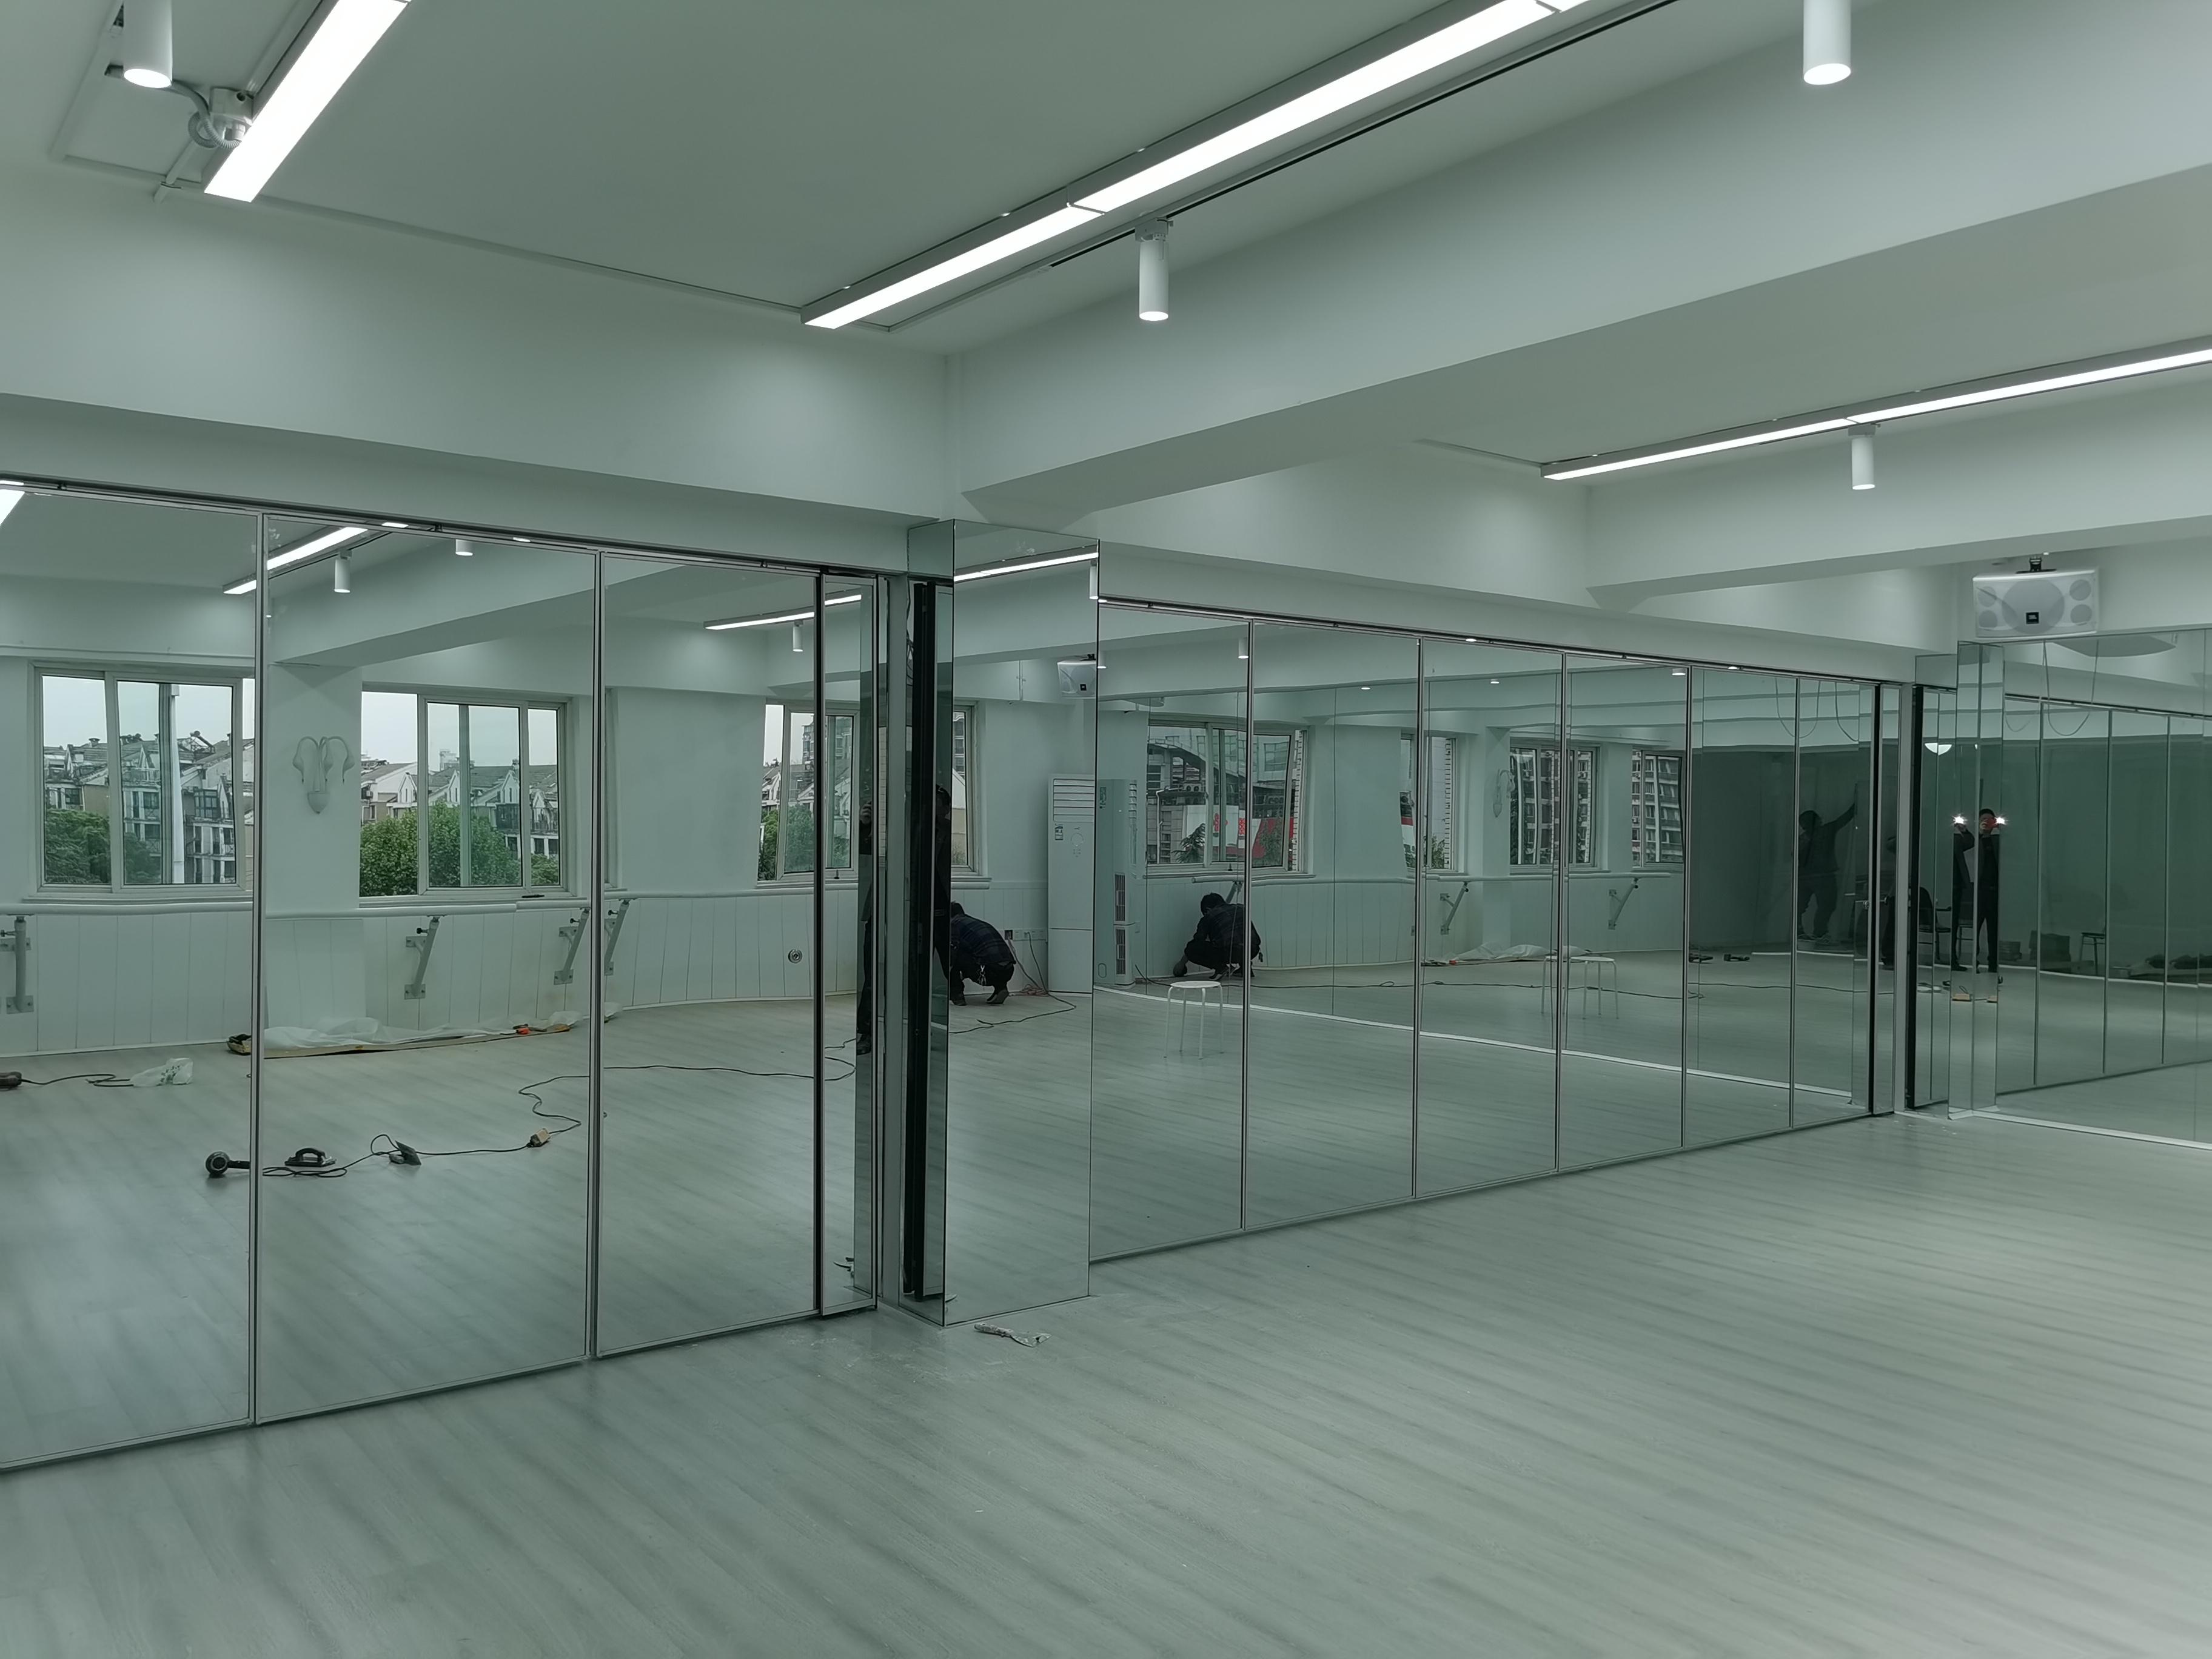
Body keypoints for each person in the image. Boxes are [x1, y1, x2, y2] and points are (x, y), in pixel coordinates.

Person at [1796, 797, 1858, 942]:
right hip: (1824, 876)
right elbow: (1845, 818)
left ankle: (1800, 931)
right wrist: (1858, 802)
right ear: (1817, 821)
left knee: (1800, 906)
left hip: (1804, 877)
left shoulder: (1801, 839)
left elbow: (1795, 856)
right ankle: (1820, 933)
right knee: (1827, 905)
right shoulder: (1826, 831)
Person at [1175, 892, 1261, 979]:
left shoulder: (1209, 916)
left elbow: (1197, 942)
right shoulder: (1241, 908)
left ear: (1207, 910)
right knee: (1240, 941)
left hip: (1230, 953)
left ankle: (1222, 969)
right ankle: (1245, 969)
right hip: (1252, 950)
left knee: (1192, 948)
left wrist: (1181, 964)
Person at [947, 902, 1014, 1005]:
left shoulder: (954, 925)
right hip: (1008, 971)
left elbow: (953, 950)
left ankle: (957, 995)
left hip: (986, 974)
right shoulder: (977, 922)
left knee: (950, 956)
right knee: (993, 961)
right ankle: (1001, 988)